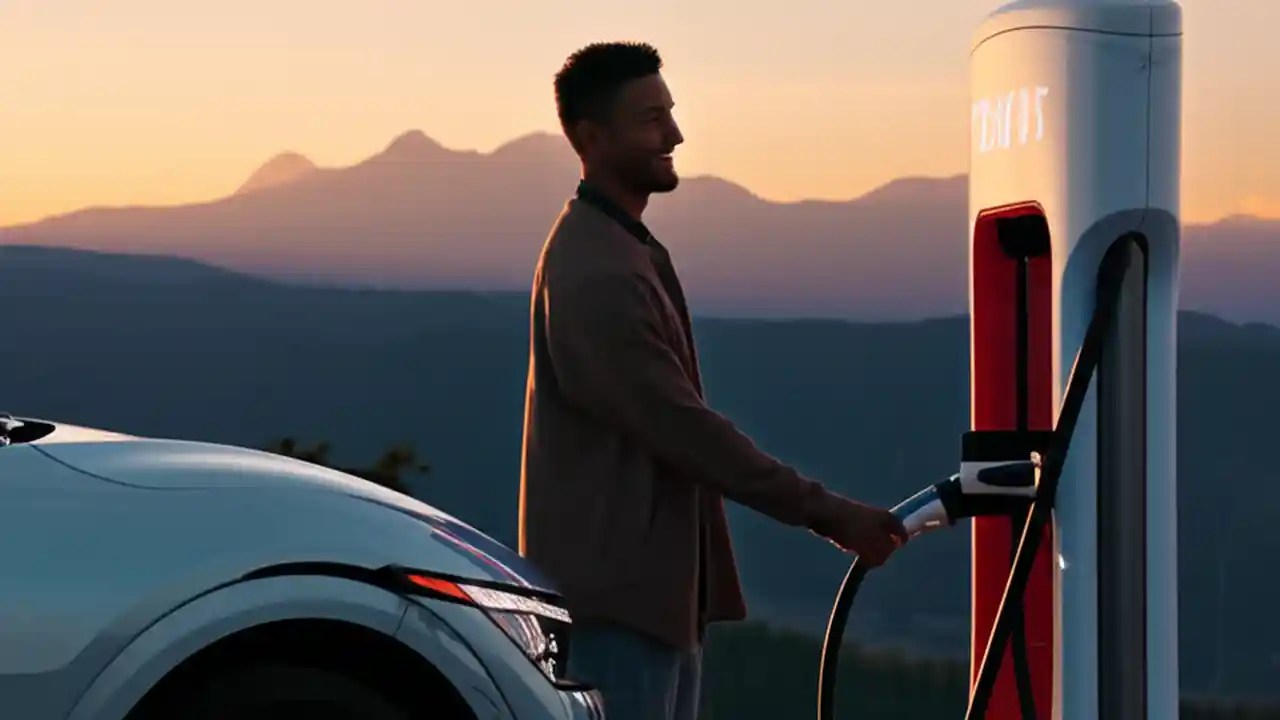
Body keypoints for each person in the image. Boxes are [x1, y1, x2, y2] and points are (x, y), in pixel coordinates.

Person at [518, 41, 908, 720]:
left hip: (646, 604)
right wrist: (830, 514)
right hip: (618, 612)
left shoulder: (617, 248)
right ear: (592, 138)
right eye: (651, 120)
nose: (674, 135)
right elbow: (686, 430)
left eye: (669, 113)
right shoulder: (598, 272)